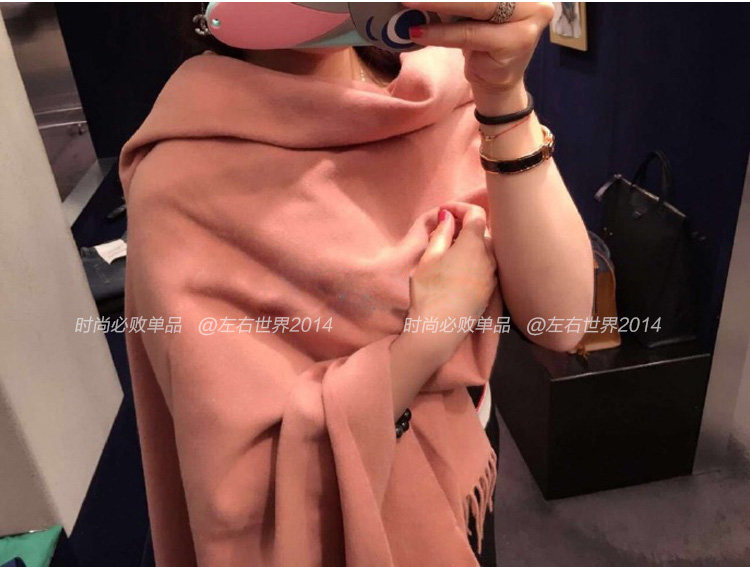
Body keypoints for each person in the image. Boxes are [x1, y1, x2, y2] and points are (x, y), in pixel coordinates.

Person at [119, 2, 593, 566]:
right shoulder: (181, 181)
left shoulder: (444, 84)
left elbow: (561, 322)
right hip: (339, 518)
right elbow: (243, 492)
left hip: (465, 452)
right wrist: (425, 342)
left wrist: (503, 95)